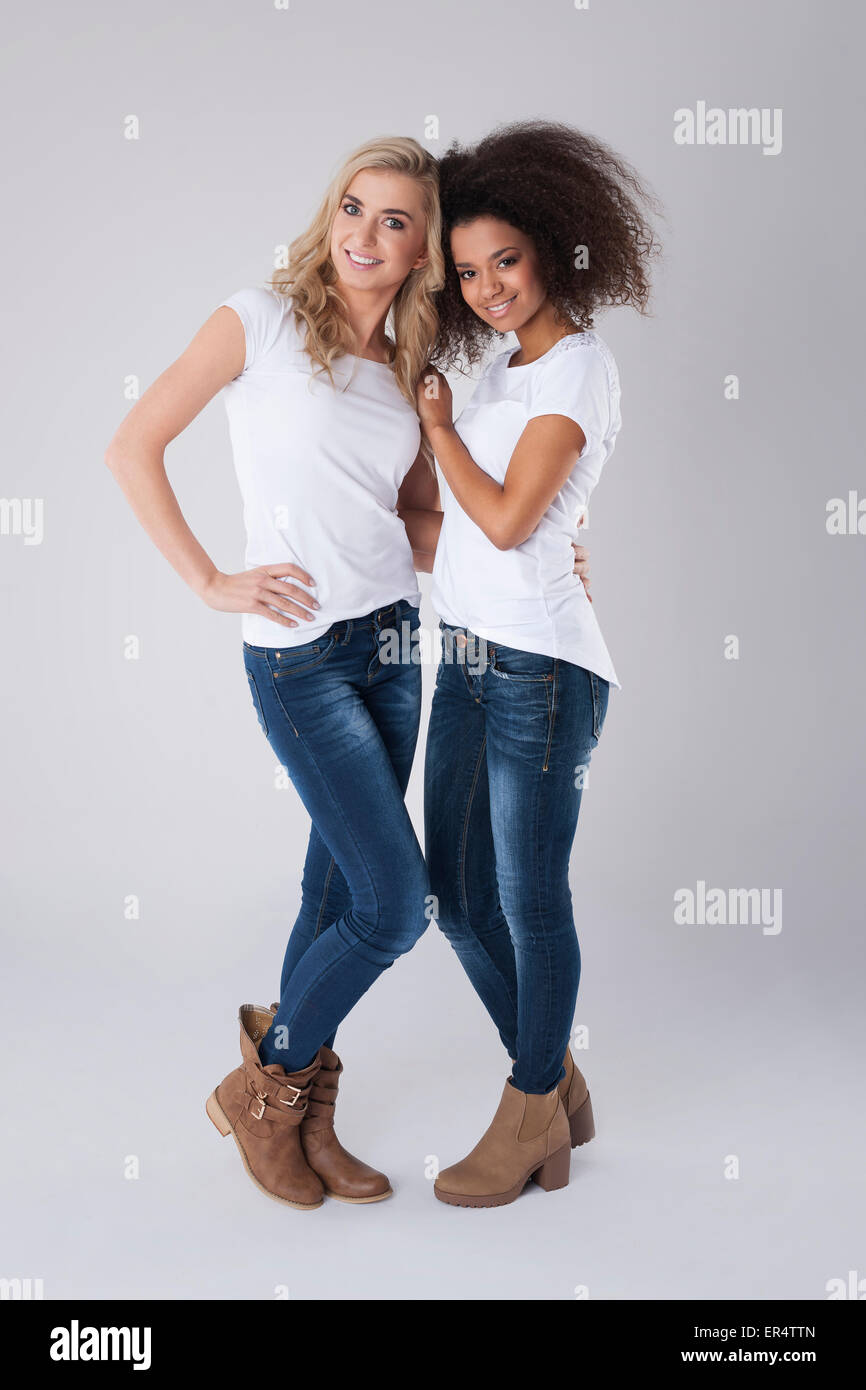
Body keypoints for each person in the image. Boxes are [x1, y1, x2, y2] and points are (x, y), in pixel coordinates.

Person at [104, 137, 446, 1210]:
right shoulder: (255, 319)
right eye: (353, 206)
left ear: (422, 248)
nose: (363, 233)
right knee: (395, 906)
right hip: (298, 660)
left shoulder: (408, 369)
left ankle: (298, 1115)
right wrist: (210, 580)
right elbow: (133, 443)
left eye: (394, 220)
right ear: (329, 211)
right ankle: (263, 1091)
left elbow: (421, 519)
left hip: (391, 646)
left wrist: (533, 542)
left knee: (336, 888)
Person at [415, 120, 660, 1207]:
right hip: (465, 657)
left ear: (554, 248)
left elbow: (511, 521)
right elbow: (471, 532)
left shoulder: (576, 369)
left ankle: (528, 1110)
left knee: (526, 897)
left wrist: (437, 434)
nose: (484, 288)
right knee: (456, 898)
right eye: (464, 271)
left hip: (540, 670)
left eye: (502, 261)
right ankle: (557, 1083)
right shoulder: (505, 373)